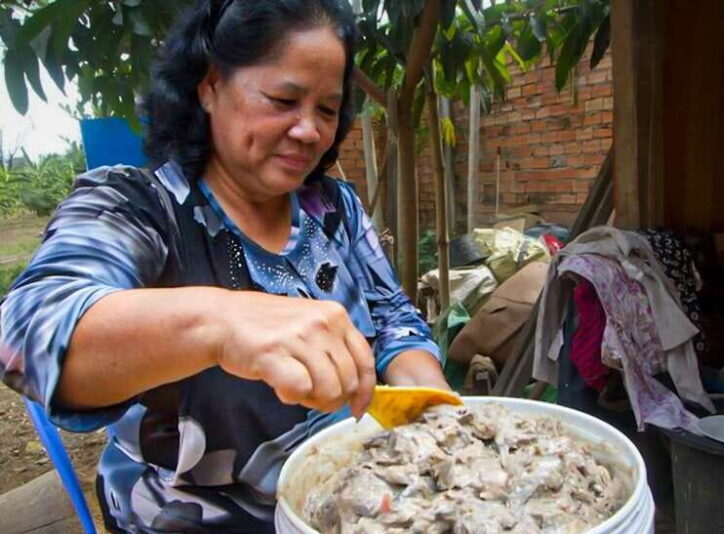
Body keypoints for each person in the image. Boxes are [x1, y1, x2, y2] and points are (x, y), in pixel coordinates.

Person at [0, 0, 449, 532]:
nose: (309, 130)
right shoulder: (135, 206)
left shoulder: (334, 208)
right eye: (284, 99)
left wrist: (437, 418)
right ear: (210, 86)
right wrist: (221, 323)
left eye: (327, 110)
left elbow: (394, 317)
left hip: (353, 502)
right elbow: (27, 332)